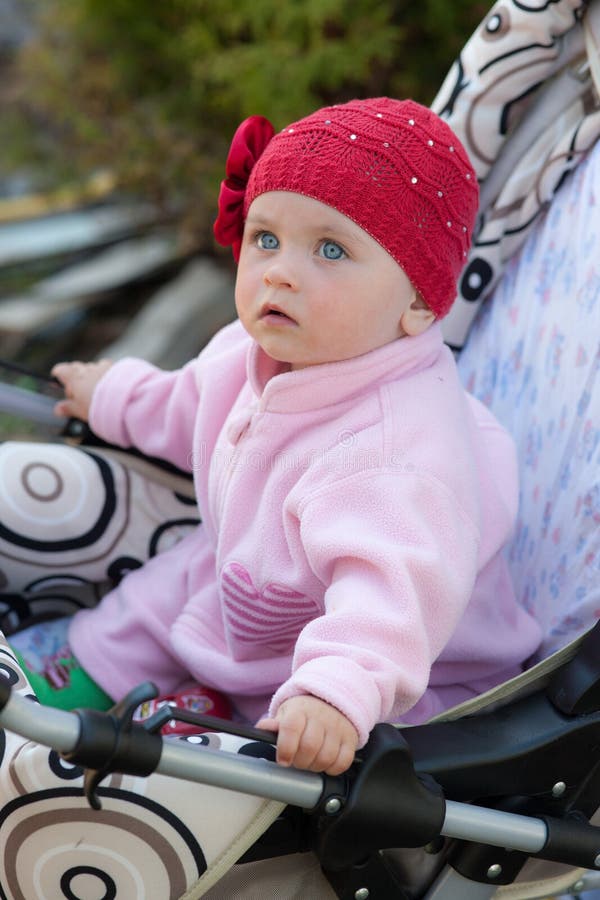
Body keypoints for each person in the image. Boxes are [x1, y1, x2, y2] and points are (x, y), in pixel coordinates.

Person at [9, 97, 541, 776]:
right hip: (251, 581)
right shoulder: (253, 348)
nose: (279, 271)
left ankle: (204, 718)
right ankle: (84, 669)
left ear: (418, 301)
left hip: (385, 671)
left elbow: (392, 595)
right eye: (265, 238)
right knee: (166, 589)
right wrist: (113, 396)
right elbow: (188, 404)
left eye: (330, 249)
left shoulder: (397, 457)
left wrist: (335, 689)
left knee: (270, 730)